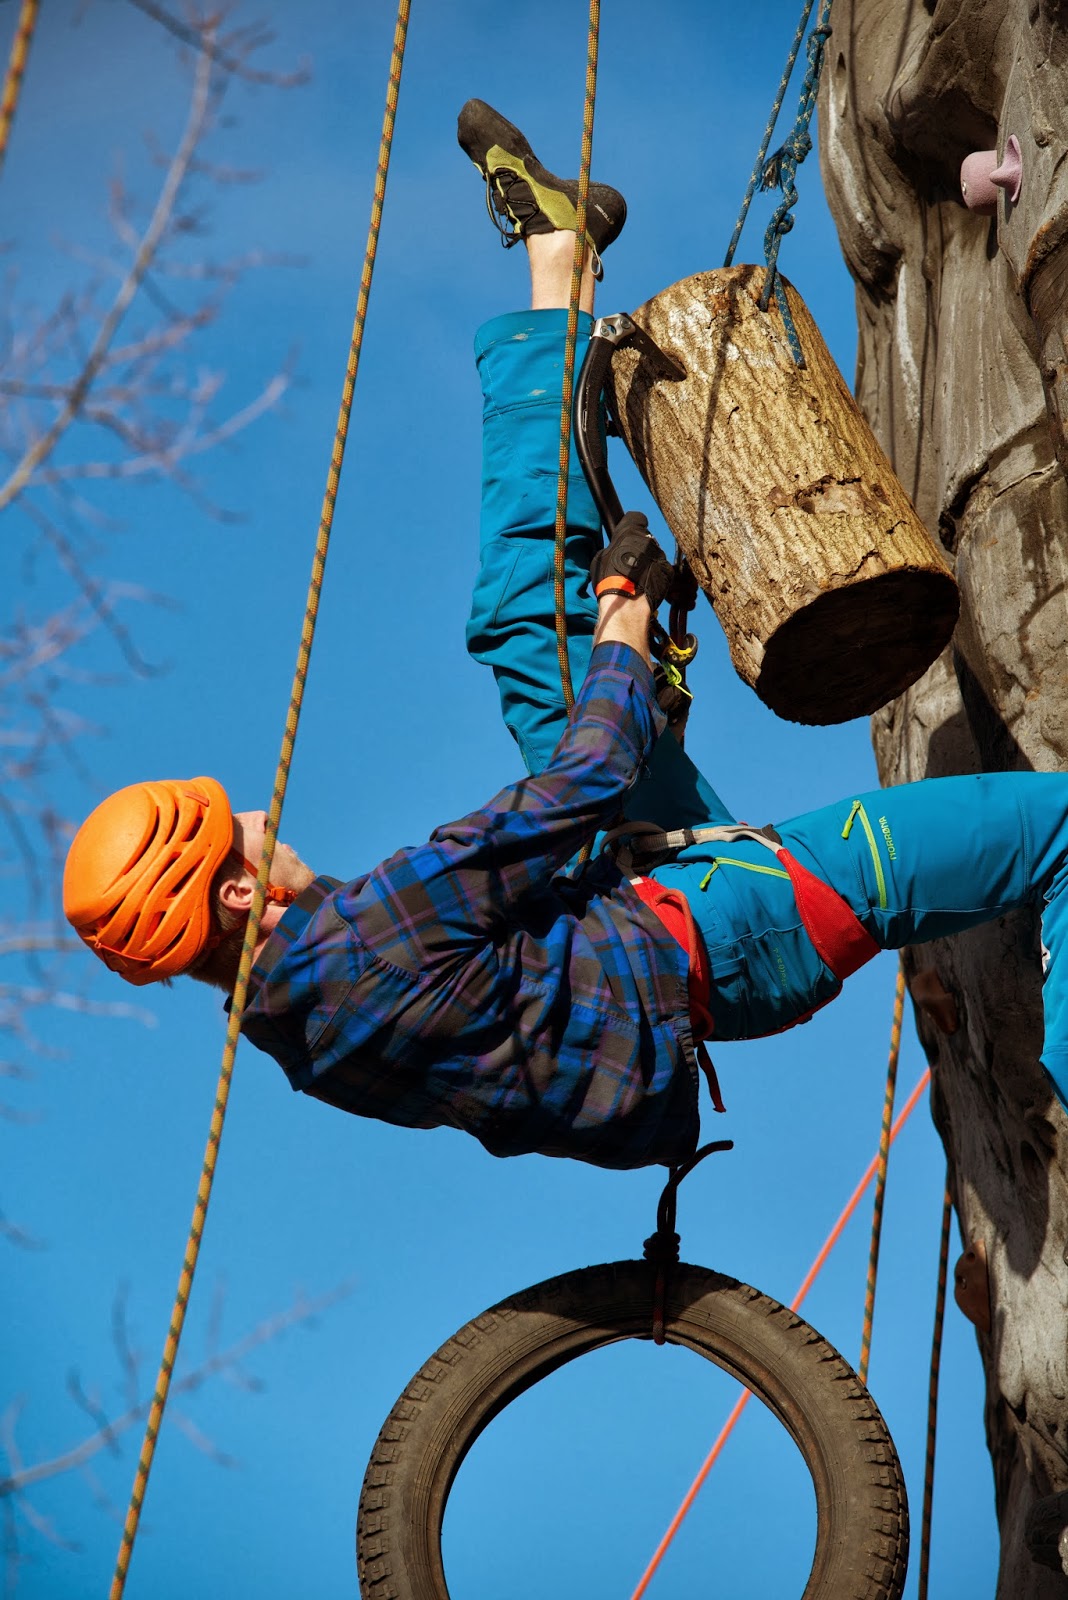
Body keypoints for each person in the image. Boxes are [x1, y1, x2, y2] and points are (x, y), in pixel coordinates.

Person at [62, 101, 1068, 1171]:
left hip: (641, 920)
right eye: (241, 833)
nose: (262, 815)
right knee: (1061, 831)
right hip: (728, 925)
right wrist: (627, 626)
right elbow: (582, 783)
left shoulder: (299, 1023)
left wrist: (613, 660)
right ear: (232, 891)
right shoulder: (376, 941)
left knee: (525, 629)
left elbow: (466, 938)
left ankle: (558, 268)